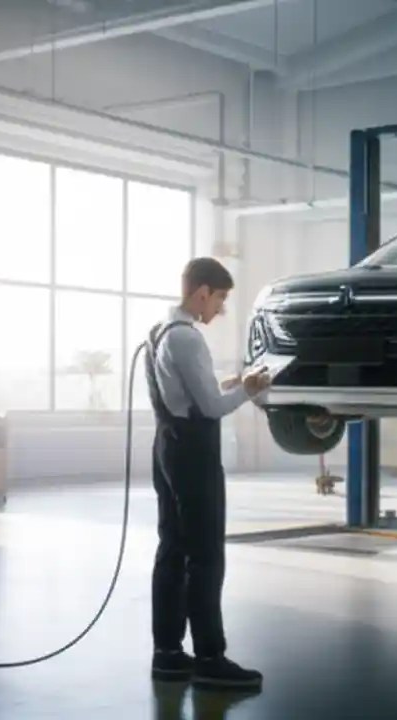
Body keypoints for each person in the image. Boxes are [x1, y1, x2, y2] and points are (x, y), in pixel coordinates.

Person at [145, 257, 270, 691]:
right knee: (206, 555)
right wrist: (250, 392)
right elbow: (211, 409)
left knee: (173, 548)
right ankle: (211, 658)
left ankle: (168, 654)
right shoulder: (188, 340)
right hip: (193, 456)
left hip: (167, 448)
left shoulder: (160, 332)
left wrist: (233, 382)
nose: (219, 308)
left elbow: (190, 394)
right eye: (219, 298)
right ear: (202, 292)